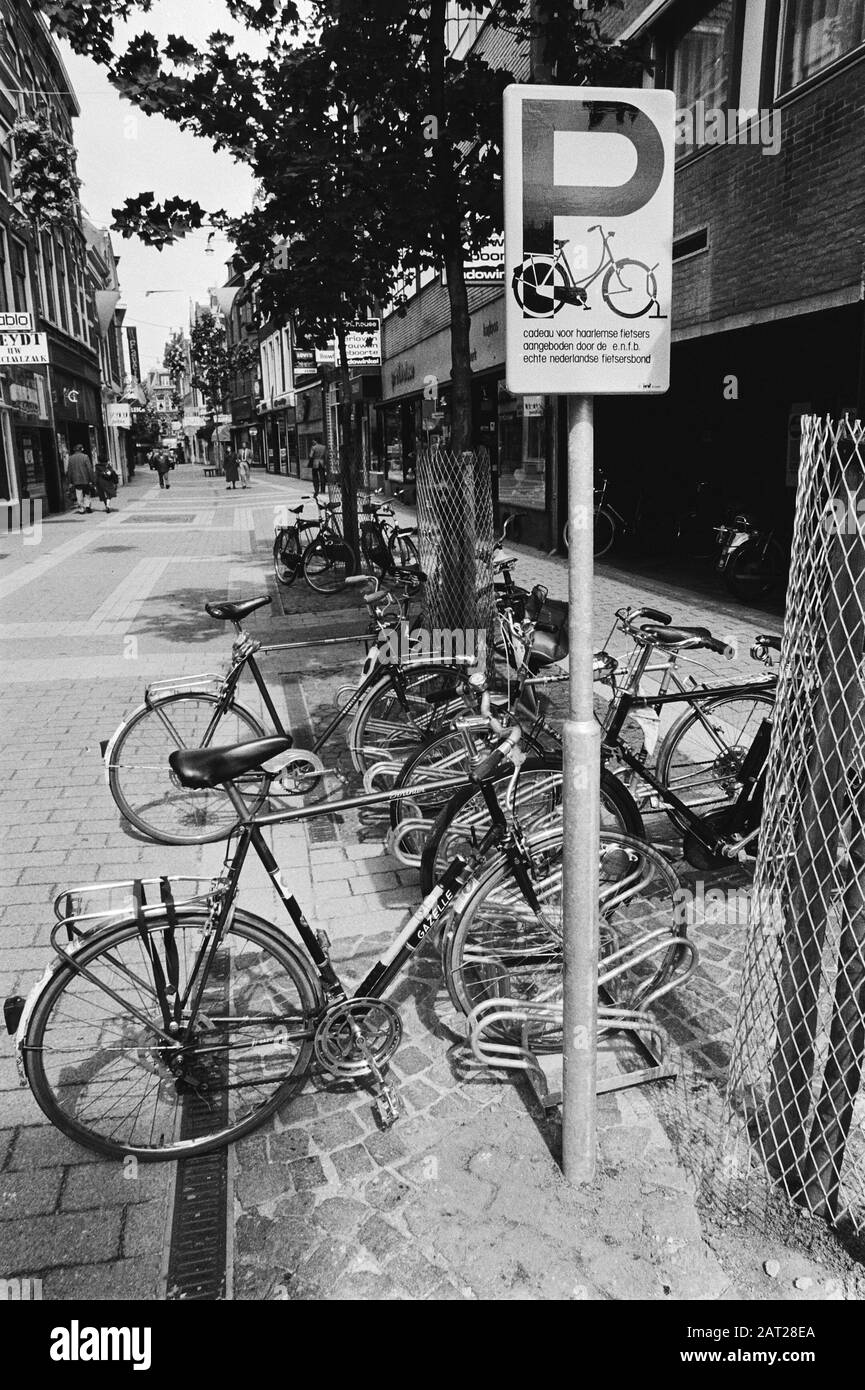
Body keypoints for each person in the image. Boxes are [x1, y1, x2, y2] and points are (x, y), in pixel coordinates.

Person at [67, 444, 95, 514]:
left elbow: (69, 470)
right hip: (85, 479)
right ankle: (88, 505)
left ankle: (81, 508)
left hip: (76, 480)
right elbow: (89, 469)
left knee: (79, 493)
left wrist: (70, 481)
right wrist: (92, 479)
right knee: (87, 493)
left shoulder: (71, 458)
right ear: (81, 449)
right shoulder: (85, 457)